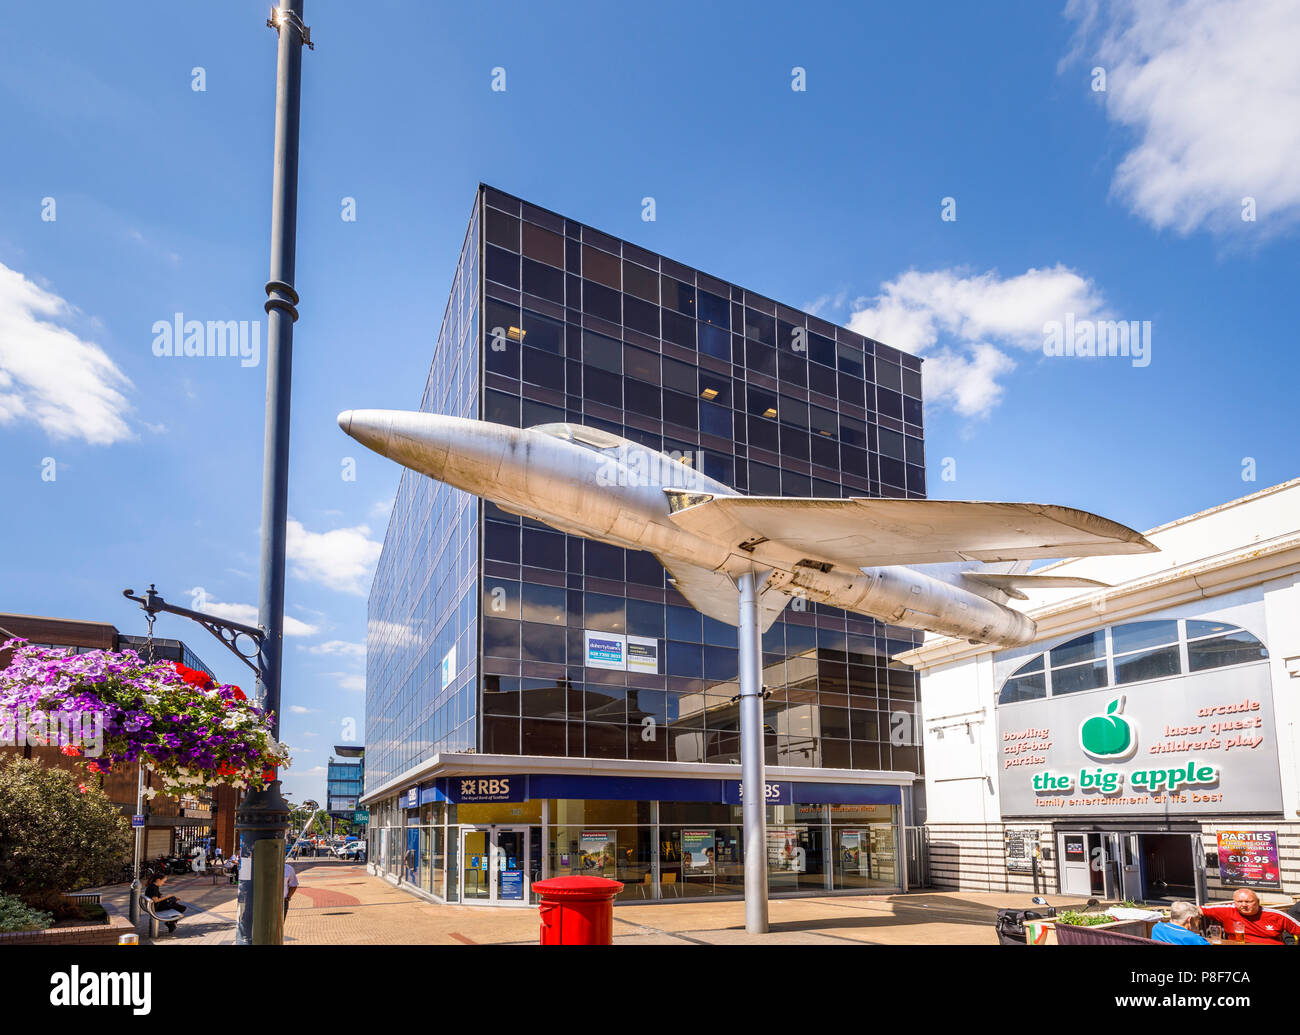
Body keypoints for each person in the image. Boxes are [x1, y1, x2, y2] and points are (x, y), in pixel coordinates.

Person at [1202, 888, 1300, 945]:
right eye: (1239, 902)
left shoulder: (1276, 915)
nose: (1243, 905)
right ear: (1234, 902)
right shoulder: (1227, 910)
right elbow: (1194, 910)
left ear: (1258, 902)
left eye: (1248, 902)